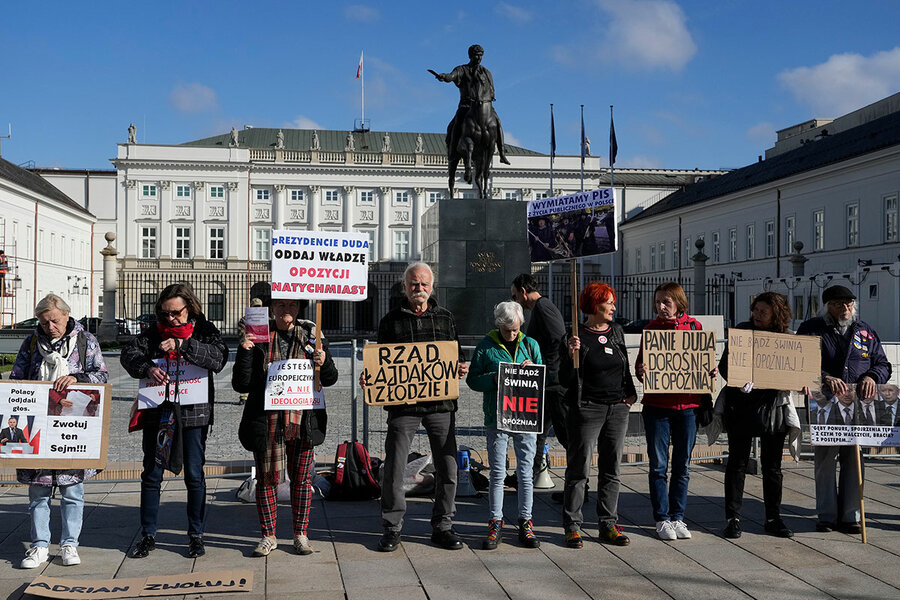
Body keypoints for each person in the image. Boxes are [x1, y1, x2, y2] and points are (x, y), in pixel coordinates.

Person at [363, 262, 469, 552]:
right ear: (405, 287)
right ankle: (392, 527)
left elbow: (455, 355)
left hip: (440, 404)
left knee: (448, 466)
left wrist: (459, 368)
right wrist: (370, 377)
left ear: (431, 287)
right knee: (395, 467)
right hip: (403, 406)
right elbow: (382, 362)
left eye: (423, 284)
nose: (418, 289)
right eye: (413, 284)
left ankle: (443, 525)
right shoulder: (391, 321)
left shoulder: (446, 318)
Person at [121, 283, 228, 559]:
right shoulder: (153, 331)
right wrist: (148, 367)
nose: (170, 319)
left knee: (194, 474)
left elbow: (218, 358)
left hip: (195, 412)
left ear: (189, 308)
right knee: (152, 474)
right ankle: (148, 535)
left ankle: (196, 535)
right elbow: (128, 355)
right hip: (159, 410)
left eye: (176, 313)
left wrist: (184, 345)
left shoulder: (204, 328)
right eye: (165, 313)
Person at [233, 298, 337, 557]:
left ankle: (300, 533)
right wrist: (245, 351)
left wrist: (323, 361)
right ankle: (268, 535)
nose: (286, 311)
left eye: (291, 305)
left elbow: (330, 379)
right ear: (272, 309)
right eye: (280, 305)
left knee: (302, 481)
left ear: (299, 309)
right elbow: (241, 384)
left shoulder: (311, 336)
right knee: (267, 481)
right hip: (267, 420)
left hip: (302, 420)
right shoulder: (259, 336)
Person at [10, 293, 108, 568]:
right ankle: (40, 545)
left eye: (54, 320)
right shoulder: (30, 343)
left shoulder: (85, 341)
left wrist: (77, 378)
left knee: (72, 492)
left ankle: (69, 544)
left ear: (67, 315)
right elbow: (16, 379)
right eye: (44, 322)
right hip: (39, 426)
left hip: (71, 427)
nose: (49, 327)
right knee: (38, 492)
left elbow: (101, 375)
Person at [797, 284, 891, 534]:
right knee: (825, 461)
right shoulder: (811, 330)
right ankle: (826, 515)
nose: (845, 309)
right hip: (825, 403)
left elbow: (883, 363)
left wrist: (872, 376)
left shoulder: (865, 332)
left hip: (858, 405)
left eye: (849, 304)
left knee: (854, 459)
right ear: (827, 306)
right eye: (839, 304)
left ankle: (851, 515)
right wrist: (825, 377)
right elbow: (800, 363)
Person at [635, 281, 712, 541]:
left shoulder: (694, 328)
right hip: (657, 407)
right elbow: (640, 367)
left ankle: (678, 517)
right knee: (658, 466)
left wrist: (708, 371)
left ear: (679, 302)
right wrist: (642, 371)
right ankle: (662, 518)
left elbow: (704, 363)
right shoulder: (651, 330)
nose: (661, 307)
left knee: (683, 465)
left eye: (666, 302)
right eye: (658, 302)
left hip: (688, 407)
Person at [561, 282, 636, 548]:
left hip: (617, 407)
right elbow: (565, 378)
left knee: (611, 469)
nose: (614, 307)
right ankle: (572, 525)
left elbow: (623, 363)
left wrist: (630, 394)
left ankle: (608, 524)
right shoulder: (575, 334)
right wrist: (572, 354)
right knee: (579, 468)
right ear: (595, 304)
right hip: (588, 408)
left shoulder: (616, 331)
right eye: (609, 302)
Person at [718, 292, 795, 539]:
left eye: (763, 312)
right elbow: (724, 365)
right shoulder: (742, 331)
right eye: (755, 311)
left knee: (772, 467)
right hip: (741, 407)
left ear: (776, 313)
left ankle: (773, 517)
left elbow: (796, 369)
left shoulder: (787, 338)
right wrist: (738, 378)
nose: (757, 316)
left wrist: (801, 381)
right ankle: (733, 518)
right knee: (737, 463)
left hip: (773, 408)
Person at [467, 301, 543, 550]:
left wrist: (534, 370)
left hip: (525, 417)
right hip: (497, 417)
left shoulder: (530, 345)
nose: (512, 333)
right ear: (499, 324)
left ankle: (526, 521)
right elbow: (473, 380)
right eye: (508, 329)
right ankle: (495, 521)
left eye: (516, 329)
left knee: (525, 473)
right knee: (498, 473)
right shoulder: (486, 346)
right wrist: (494, 378)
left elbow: (545, 376)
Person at [509, 273, 568, 480]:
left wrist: (539, 364)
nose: (515, 301)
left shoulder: (543, 307)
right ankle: (526, 476)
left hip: (554, 382)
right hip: (547, 381)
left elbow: (558, 339)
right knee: (537, 431)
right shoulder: (541, 308)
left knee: (564, 435)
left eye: (515, 296)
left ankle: (578, 485)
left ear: (524, 292)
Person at [432, 44, 510, 165]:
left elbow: (492, 90)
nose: (478, 58)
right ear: (470, 56)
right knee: (456, 125)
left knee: (497, 122)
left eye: (480, 56)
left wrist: (487, 100)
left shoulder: (486, 72)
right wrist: (445, 77)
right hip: (466, 106)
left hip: (483, 106)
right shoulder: (462, 69)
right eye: (476, 56)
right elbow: (451, 76)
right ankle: (453, 152)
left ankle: (502, 153)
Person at [236, 297, 265, 406]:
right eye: (255, 307)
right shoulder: (244, 320)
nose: (257, 309)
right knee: (246, 371)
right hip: (250, 347)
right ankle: (243, 396)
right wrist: (245, 340)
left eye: (259, 307)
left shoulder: (266, 318)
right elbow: (241, 334)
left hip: (262, 348)